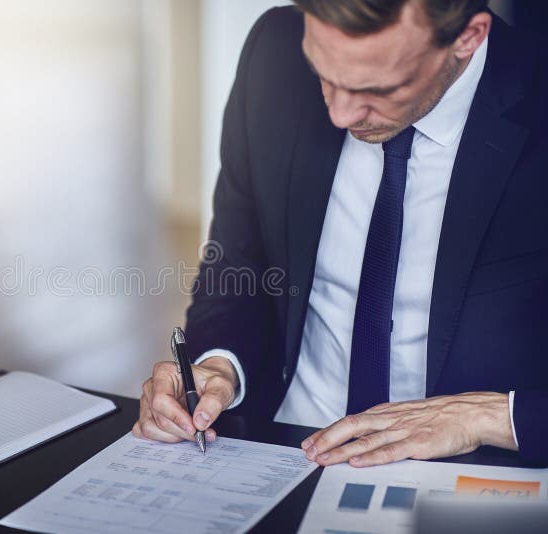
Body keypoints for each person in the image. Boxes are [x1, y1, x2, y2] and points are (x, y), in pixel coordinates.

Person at [133, 0, 548, 466]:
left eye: (377, 87)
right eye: (324, 73)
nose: (341, 115)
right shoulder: (276, 50)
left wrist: (495, 418)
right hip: (283, 448)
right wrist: (218, 365)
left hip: (474, 476)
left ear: (468, 37)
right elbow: (239, 268)